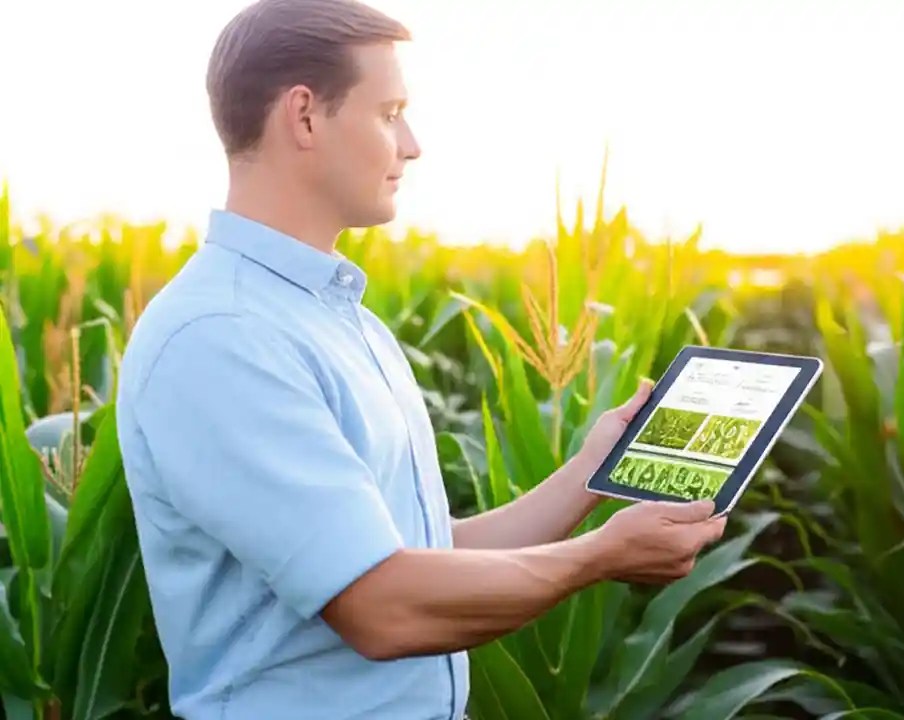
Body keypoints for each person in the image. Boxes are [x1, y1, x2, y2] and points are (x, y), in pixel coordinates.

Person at [113, 0, 727, 718]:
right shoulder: (222, 338)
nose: (411, 144)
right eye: (390, 111)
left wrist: (591, 474)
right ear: (305, 116)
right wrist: (598, 559)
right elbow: (383, 606)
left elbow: (414, 554)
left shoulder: (345, 322)